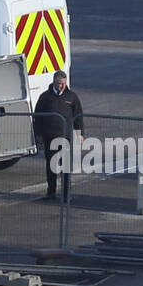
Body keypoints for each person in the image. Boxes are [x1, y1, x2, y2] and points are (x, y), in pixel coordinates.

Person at [33, 70, 84, 201]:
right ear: (54, 82)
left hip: (66, 137)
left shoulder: (72, 97)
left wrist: (80, 134)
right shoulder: (45, 97)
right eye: (60, 83)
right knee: (51, 166)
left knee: (66, 167)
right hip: (49, 137)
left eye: (64, 83)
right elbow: (37, 117)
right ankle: (51, 192)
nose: (62, 86)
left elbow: (78, 116)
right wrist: (38, 136)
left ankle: (66, 194)